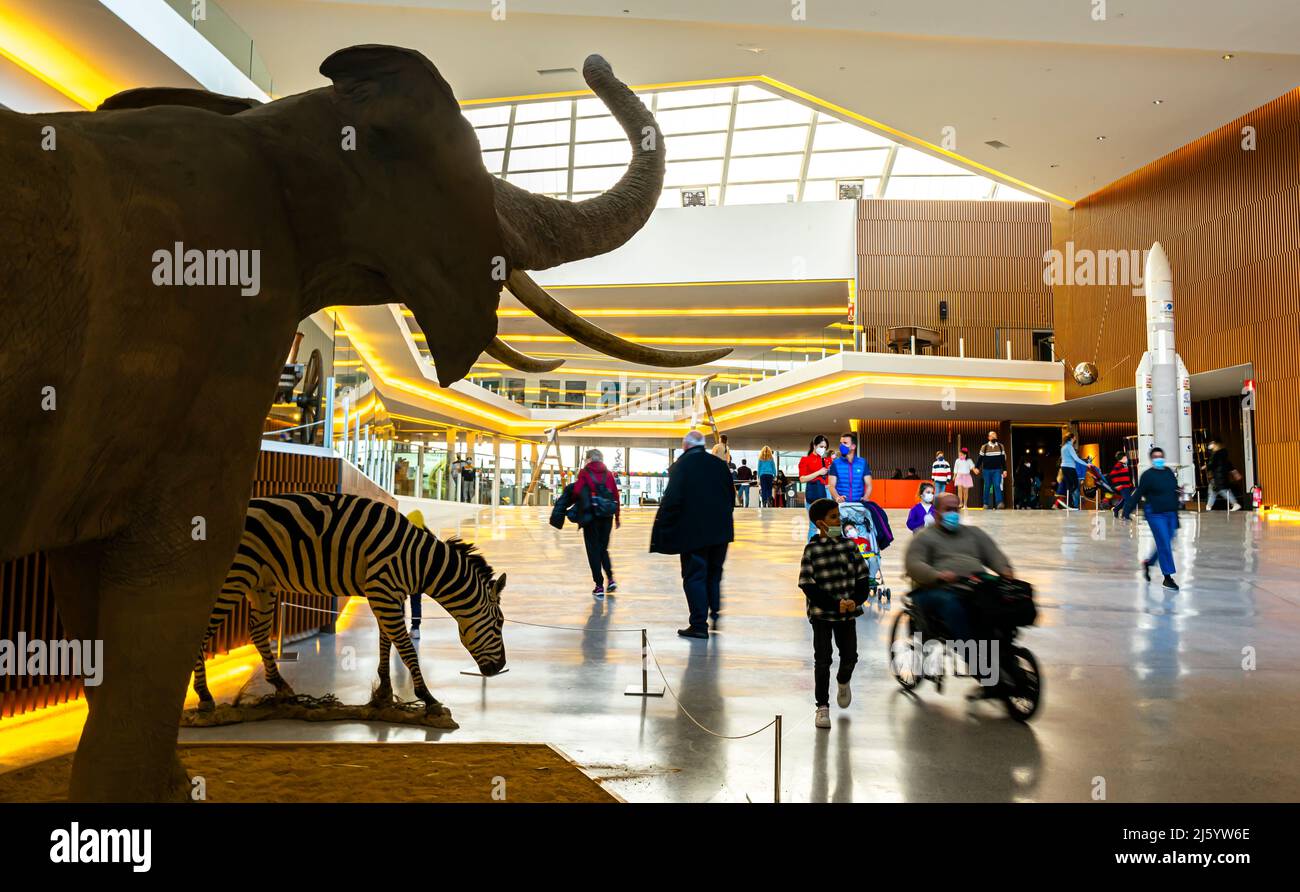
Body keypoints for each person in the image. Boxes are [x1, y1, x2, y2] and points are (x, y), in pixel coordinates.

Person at [904, 491, 1016, 696]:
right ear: (937, 513)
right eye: (948, 510)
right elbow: (914, 563)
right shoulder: (924, 536)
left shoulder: (973, 533)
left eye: (956, 509)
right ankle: (981, 667)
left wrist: (1004, 570)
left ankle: (1007, 654)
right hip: (934, 589)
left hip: (972, 587)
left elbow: (993, 554)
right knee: (954, 607)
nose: (954, 513)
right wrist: (937, 574)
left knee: (1007, 600)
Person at [651, 430, 736, 639]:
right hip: (721, 531)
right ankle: (714, 613)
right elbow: (731, 497)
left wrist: (662, 528)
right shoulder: (719, 465)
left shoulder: (682, 466)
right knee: (714, 574)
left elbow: (671, 500)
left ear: (685, 445)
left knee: (694, 576)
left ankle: (699, 624)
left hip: (693, 533)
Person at [799, 499, 871, 729]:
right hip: (822, 614)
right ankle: (822, 706)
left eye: (838, 515)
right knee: (823, 659)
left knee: (850, 655)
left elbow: (862, 577)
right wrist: (833, 604)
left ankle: (843, 681)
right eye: (833, 517)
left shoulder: (849, 547)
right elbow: (807, 584)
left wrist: (856, 600)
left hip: (847, 614)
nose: (838, 520)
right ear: (820, 523)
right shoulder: (812, 550)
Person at [1134, 446, 1183, 590]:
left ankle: (1148, 563)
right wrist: (1125, 511)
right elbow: (1138, 493)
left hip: (1170, 511)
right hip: (1155, 512)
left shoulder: (1168, 472)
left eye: (1160, 456)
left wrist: (1179, 492)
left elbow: (1173, 489)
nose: (1159, 459)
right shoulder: (1147, 475)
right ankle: (1167, 577)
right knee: (1164, 543)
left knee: (1166, 540)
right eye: (1155, 457)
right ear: (1151, 459)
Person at [574, 449, 621, 598]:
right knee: (603, 549)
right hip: (607, 517)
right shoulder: (608, 473)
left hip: (591, 517)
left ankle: (599, 586)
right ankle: (611, 579)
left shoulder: (584, 472)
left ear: (588, 459)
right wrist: (617, 517)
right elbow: (615, 495)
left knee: (593, 551)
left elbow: (577, 491)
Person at [827, 432, 872, 506]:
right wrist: (837, 497)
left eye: (845, 443)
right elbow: (831, 485)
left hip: (859, 505)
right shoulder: (835, 464)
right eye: (841, 443)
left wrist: (866, 497)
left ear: (853, 446)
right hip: (841, 505)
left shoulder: (863, 463)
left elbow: (869, 484)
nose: (842, 445)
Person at [1205, 439, 1241, 512]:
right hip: (1220, 477)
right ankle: (1208, 506)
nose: (1212, 446)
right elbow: (1229, 465)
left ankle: (1235, 504)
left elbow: (1212, 465)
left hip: (1218, 477)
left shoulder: (1216, 455)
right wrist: (1235, 473)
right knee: (1213, 491)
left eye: (1213, 444)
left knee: (1222, 491)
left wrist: (1206, 466)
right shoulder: (1223, 455)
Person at [977, 429, 1006, 509]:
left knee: (997, 485)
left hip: (997, 470)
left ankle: (999, 503)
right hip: (986, 470)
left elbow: (1003, 459)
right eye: (992, 435)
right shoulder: (984, 447)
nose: (994, 437)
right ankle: (985, 503)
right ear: (989, 437)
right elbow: (980, 458)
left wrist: (1004, 470)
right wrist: (977, 467)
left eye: (995, 435)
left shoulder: (1001, 446)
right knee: (987, 486)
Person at [798, 435, 832, 505]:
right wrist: (819, 472)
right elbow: (802, 479)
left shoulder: (827, 460)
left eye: (825, 447)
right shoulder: (805, 460)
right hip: (813, 492)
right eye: (821, 446)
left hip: (827, 493)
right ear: (814, 446)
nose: (823, 449)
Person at [1059, 433, 1082, 510]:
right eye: (1074, 437)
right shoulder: (1069, 446)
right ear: (1072, 438)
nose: (1075, 438)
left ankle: (1069, 504)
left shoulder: (1063, 447)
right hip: (1070, 467)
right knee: (1075, 484)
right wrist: (1087, 464)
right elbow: (1076, 458)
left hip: (1064, 467)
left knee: (1069, 485)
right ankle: (1069, 502)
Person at [1108, 451, 1134, 518]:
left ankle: (1116, 509)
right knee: (1128, 500)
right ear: (1123, 458)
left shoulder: (1124, 465)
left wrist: (1130, 484)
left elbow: (1125, 476)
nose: (1127, 458)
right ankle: (1125, 515)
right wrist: (1117, 484)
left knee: (1125, 500)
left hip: (1127, 485)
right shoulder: (1118, 465)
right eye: (1125, 457)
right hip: (1123, 486)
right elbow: (1112, 475)